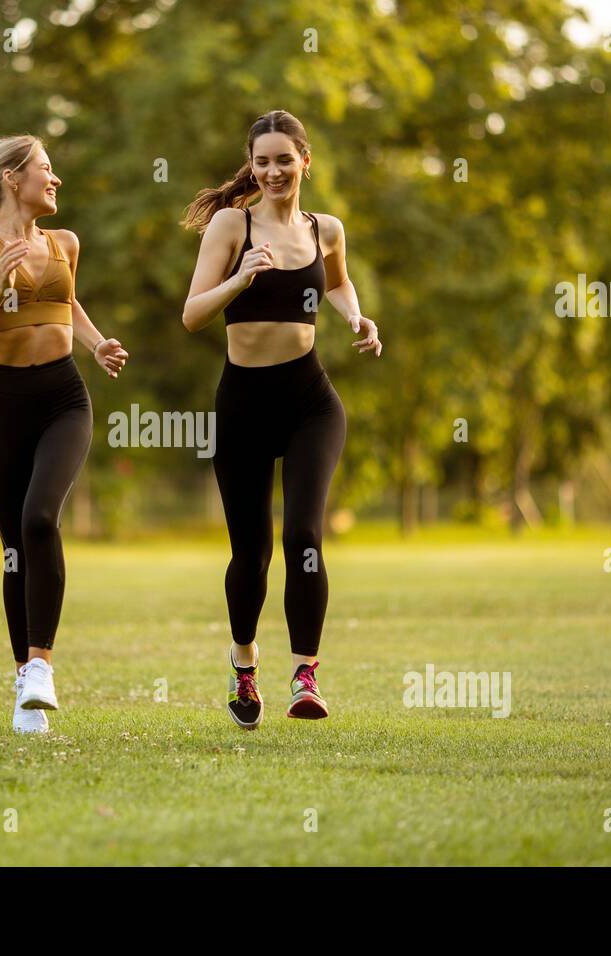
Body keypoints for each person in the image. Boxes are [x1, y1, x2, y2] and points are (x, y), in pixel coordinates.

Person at [181, 110, 380, 730]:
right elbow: (191, 314)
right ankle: (245, 665)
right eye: (262, 161)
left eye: (283, 160)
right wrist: (241, 277)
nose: (272, 171)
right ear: (252, 165)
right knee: (251, 551)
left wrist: (356, 319)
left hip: (308, 402)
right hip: (243, 403)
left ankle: (305, 676)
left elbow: (339, 286)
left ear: (305, 163)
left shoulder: (327, 230)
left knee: (304, 537)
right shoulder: (229, 225)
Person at [0, 135, 128, 733]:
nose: (57, 180)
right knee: (14, 543)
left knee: (41, 518)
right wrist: (3, 282)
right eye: (47, 170)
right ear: (14, 178)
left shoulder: (65, 242)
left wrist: (98, 345)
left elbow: (67, 306)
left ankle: (42, 666)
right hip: (5, 403)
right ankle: (25, 683)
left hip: (64, 397)